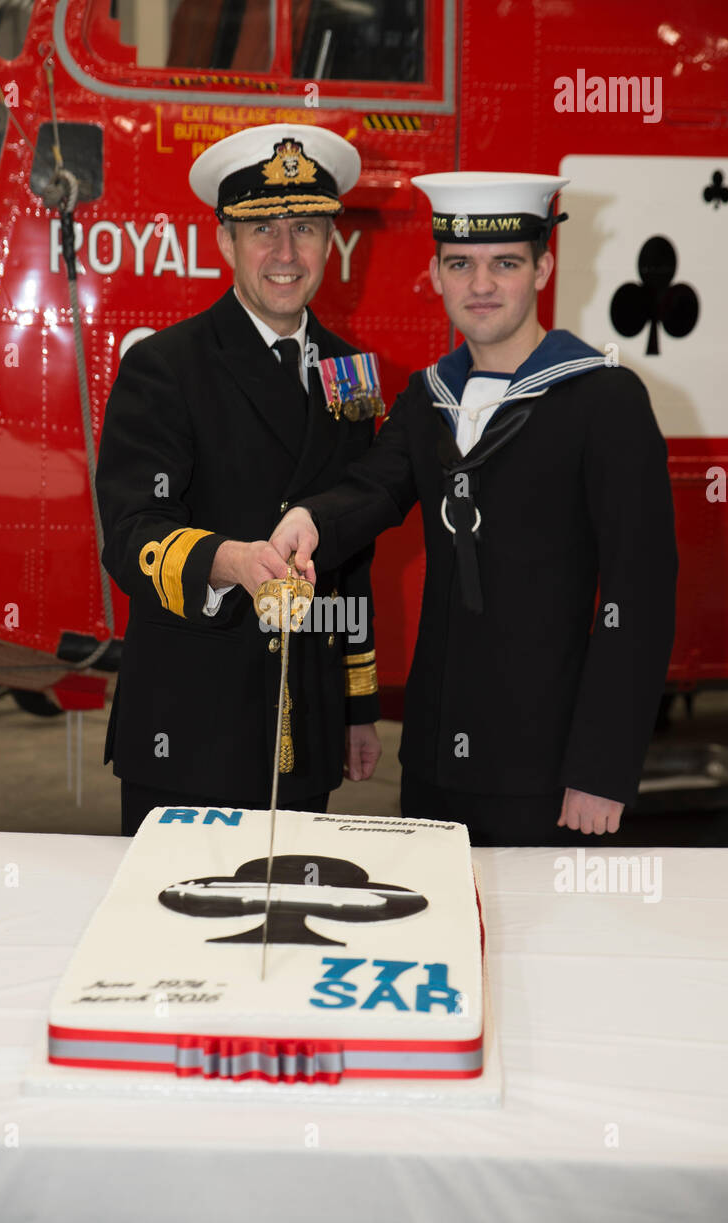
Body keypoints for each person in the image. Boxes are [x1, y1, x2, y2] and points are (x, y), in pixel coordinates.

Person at [270, 173, 678, 844]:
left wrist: (601, 768)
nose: (480, 284)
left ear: (543, 267)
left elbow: (638, 595)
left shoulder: (603, 401)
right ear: (434, 273)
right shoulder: (429, 395)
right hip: (433, 757)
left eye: (505, 264)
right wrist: (311, 519)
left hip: (544, 765)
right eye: (459, 264)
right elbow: (373, 487)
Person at [96, 125, 382, 837]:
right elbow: (131, 534)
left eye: (306, 228)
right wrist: (232, 562)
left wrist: (357, 705)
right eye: (262, 230)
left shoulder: (351, 372)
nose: (286, 254)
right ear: (223, 241)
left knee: (291, 932)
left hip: (305, 722)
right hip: (190, 725)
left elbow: (355, 554)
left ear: (329, 241)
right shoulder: (166, 367)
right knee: (176, 936)